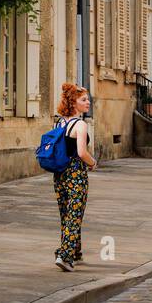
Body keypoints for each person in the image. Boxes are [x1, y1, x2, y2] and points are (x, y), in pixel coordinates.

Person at [53, 82, 98, 273]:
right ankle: (65, 256)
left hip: (59, 173)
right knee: (75, 214)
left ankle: (75, 251)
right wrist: (93, 162)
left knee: (66, 213)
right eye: (84, 100)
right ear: (74, 103)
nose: (88, 102)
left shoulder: (59, 122)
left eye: (87, 99)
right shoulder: (80, 124)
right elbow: (81, 151)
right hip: (76, 172)